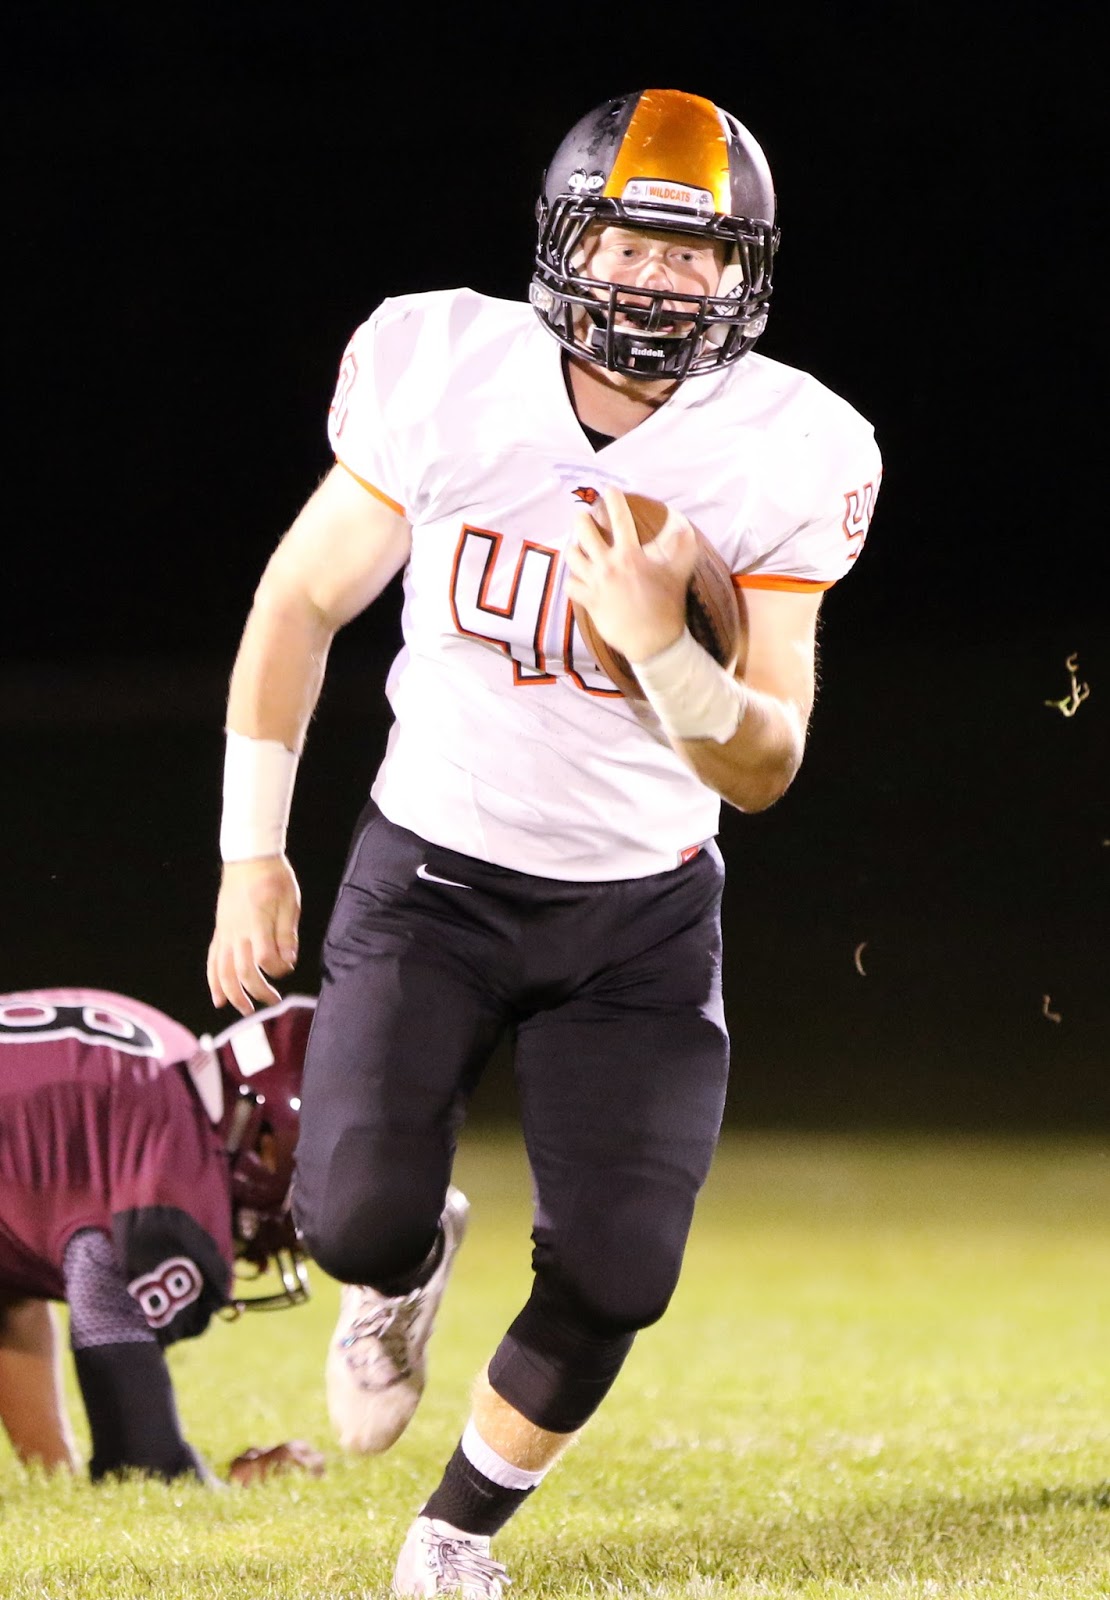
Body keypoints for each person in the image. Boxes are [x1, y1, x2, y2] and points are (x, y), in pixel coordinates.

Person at [206, 86, 882, 1595]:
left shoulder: (789, 446)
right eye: (628, 243)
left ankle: (453, 1534)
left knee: (619, 1271)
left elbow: (763, 762)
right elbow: (299, 603)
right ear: (563, 240)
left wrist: (662, 652)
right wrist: (256, 850)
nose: (656, 279)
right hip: (432, 874)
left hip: (637, 913)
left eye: (693, 255)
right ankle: (401, 1267)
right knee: (352, 1217)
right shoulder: (444, 368)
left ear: (743, 279)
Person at [0, 985, 323, 1486]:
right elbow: (139, 1467)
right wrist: (220, 1483)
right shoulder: (177, 1164)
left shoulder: (168, 1054)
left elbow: (12, 1279)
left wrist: (55, 1483)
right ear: (266, 1135)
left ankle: (52, 1476)